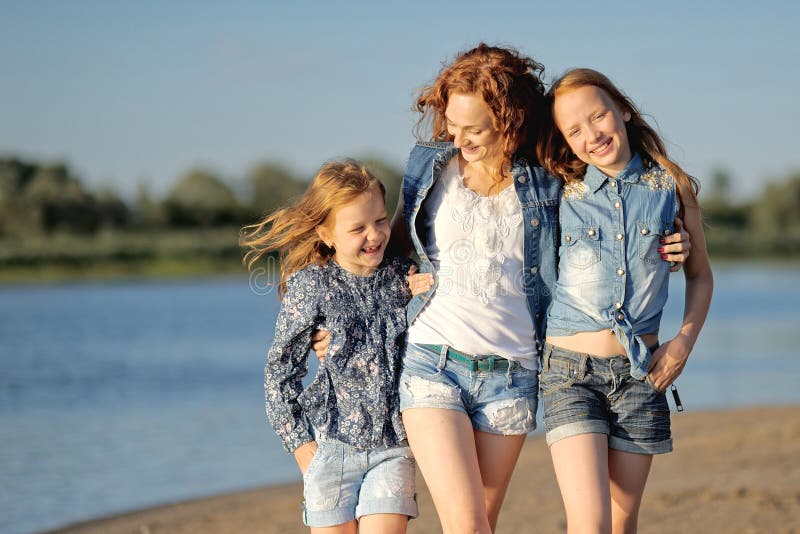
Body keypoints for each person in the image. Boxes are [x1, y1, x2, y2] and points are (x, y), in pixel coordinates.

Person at [313, 44, 690, 533]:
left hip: (511, 376)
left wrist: (669, 241)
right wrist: (336, 323)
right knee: (467, 524)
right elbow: (379, 251)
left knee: (483, 522)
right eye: (452, 124)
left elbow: (612, 217)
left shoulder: (549, 179)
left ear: (509, 121)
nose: (457, 137)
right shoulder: (430, 166)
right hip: (433, 361)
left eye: (475, 129)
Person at [536, 68, 713, 533]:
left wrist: (682, 344)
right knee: (590, 522)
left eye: (598, 117)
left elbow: (701, 278)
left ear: (624, 110)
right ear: (563, 140)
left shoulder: (672, 188)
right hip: (569, 373)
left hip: (643, 375)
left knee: (621, 521)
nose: (592, 134)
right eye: (574, 130)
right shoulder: (557, 191)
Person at [240, 159, 432, 534]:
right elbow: (280, 372)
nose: (374, 235)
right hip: (330, 452)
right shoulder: (311, 286)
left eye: (379, 221)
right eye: (357, 228)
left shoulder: (403, 276)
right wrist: (301, 447)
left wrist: (422, 295)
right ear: (327, 234)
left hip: (393, 449)